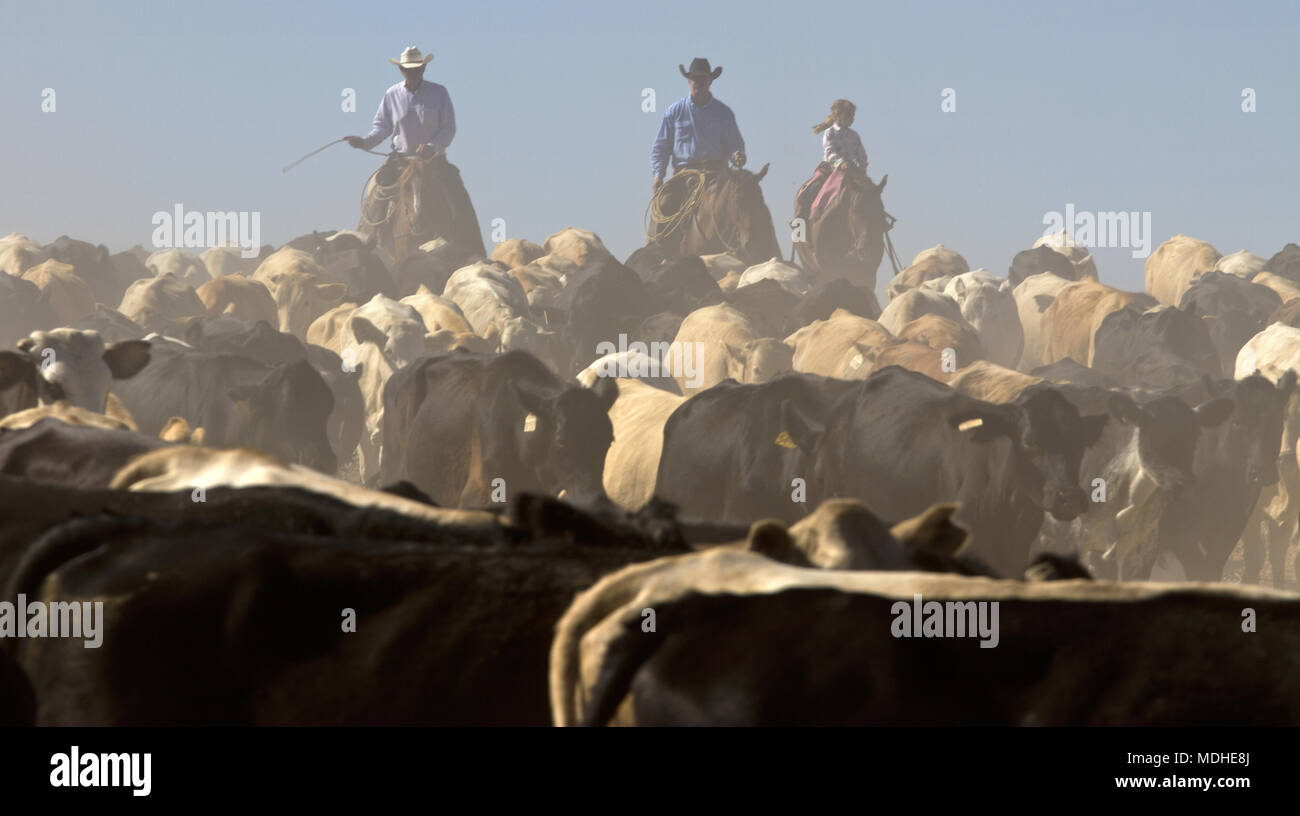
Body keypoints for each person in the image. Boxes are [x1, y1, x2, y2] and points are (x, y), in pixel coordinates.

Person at [346, 46, 484, 261]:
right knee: (377, 196)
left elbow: (448, 128)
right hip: (400, 162)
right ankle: (366, 248)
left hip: (433, 162)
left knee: (459, 197)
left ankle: (475, 250)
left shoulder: (439, 93)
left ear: (424, 68)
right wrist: (364, 142)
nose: (412, 73)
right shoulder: (392, 94)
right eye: (408, 70)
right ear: (401, 70)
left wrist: (433, 146)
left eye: (416, 69)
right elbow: (382, 127)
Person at [794, 99, 869, 224]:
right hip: (831, 169)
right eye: (849, 115)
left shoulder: (854, 135)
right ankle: (802, 220)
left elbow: (861, 154)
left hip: (852, 171)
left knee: (870, 192)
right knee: (813, 188)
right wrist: (841, 163)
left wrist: (862, 167)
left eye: (853, 116)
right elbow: (830, 152)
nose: (852, 119)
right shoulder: (830, 133)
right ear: (838, 116)